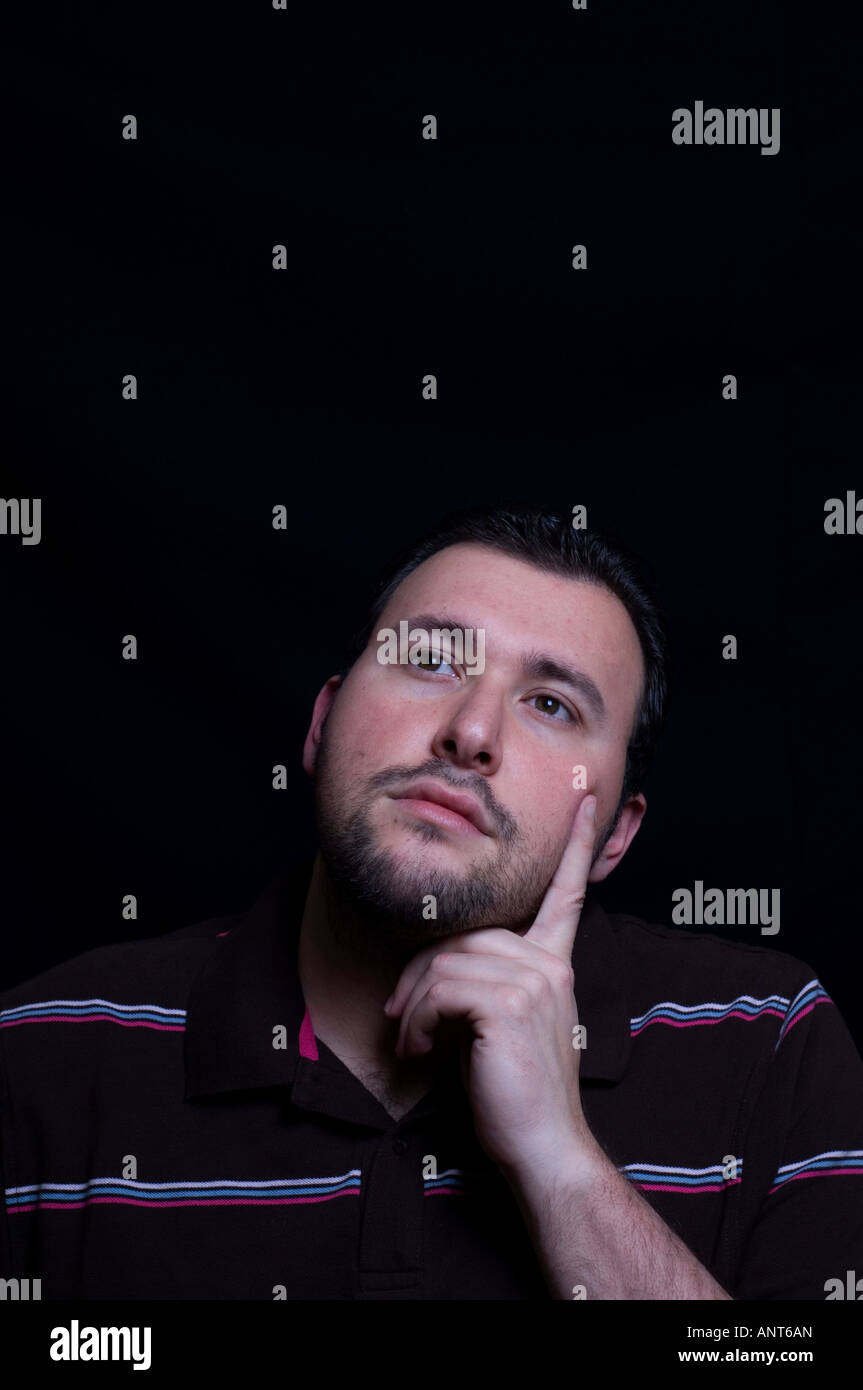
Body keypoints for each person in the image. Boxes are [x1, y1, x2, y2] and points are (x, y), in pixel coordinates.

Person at [2, 504, 861, 1300]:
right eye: (428, 659)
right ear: (321, 725)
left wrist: (558, 1164)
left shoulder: (767, 1038)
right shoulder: (41, 1051)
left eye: (551, 705)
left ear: (614, 837)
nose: (472, 732)